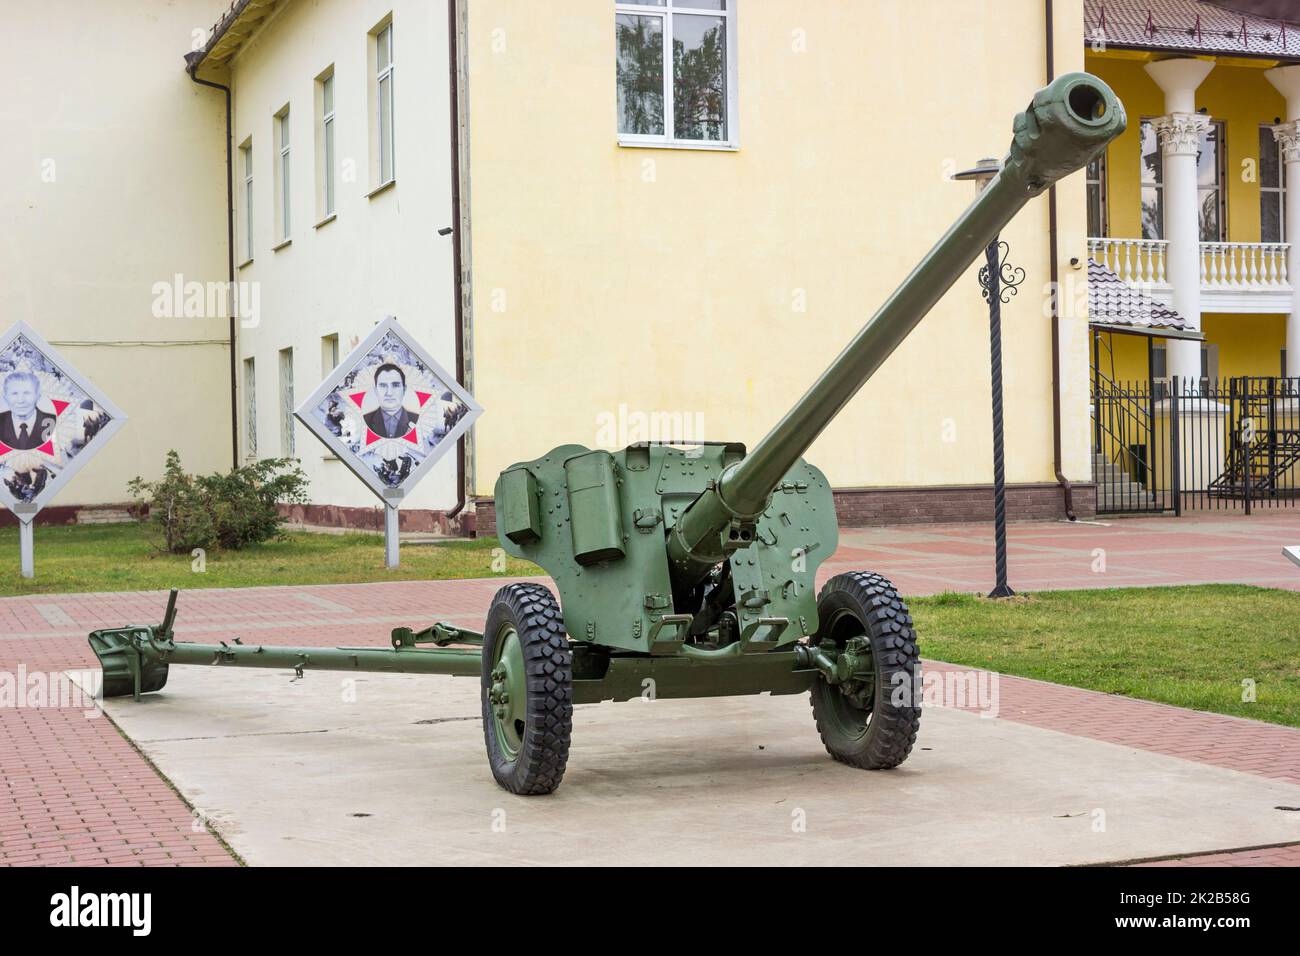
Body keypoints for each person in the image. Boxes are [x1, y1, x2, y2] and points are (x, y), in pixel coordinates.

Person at [0, 371, 56, 450]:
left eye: (27, 393)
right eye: (14, 393)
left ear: (38, 397)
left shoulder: (54, 422)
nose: (21, 400)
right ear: (6, 398)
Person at [362, 363, 419, 438]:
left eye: (395, 385)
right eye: (383, 386)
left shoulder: (417, 421)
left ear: (404, 389)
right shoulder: (364, 422)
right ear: (376, 390)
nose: (389, 393)